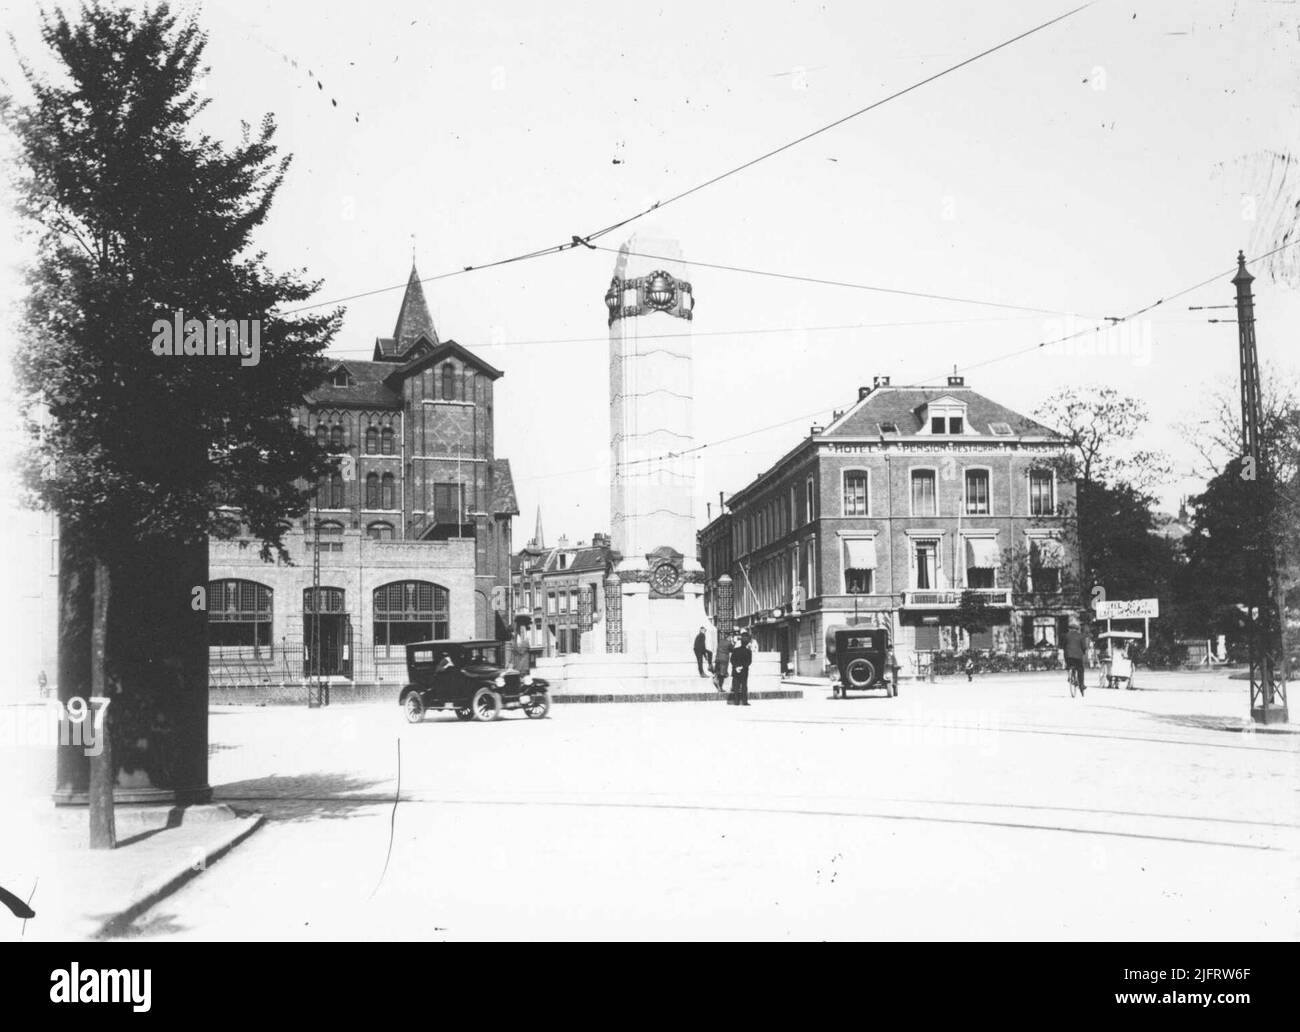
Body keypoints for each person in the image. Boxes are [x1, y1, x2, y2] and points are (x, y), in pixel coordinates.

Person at [1063, 619, 1086, 697]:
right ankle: (1081, 685)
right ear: (1077, 629)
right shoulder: (1081, 636)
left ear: (1070, 629)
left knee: (1069, 664)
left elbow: (1063, 645)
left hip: (1068, 655)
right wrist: (1083, 651)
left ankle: (1070, 674)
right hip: (1078, 656)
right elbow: (1084, 646)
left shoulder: (1066, 635)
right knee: (1080, 669)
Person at [730, 632, 753, 706]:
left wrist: (737, 667)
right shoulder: (748, 651)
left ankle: (736, 701)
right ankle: (744, 701)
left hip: (736, 670)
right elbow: (749, 662)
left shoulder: (735, 650)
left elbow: (732, 660)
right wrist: (742, 667)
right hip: (744, 671)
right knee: (744, 686)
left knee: (736, 686)